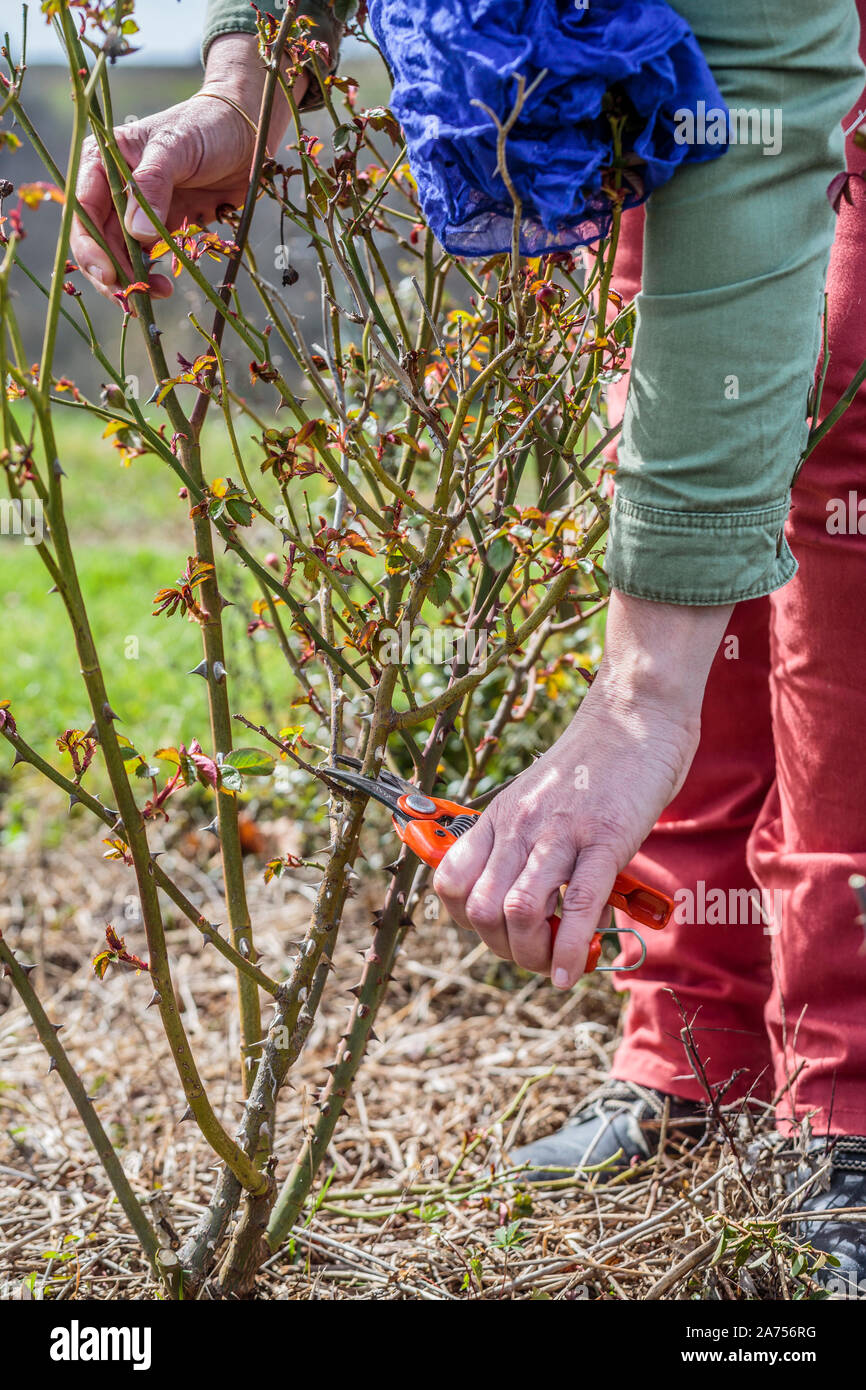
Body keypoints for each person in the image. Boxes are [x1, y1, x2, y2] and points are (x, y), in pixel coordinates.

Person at [72, 0, 866, 1289]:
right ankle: (697, 1043)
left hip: (807, 70)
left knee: (833, 388)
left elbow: (772, 104)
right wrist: (255, 67)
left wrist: (638, 697)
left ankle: (851, 1096)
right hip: (667, 56)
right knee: (664, 387)